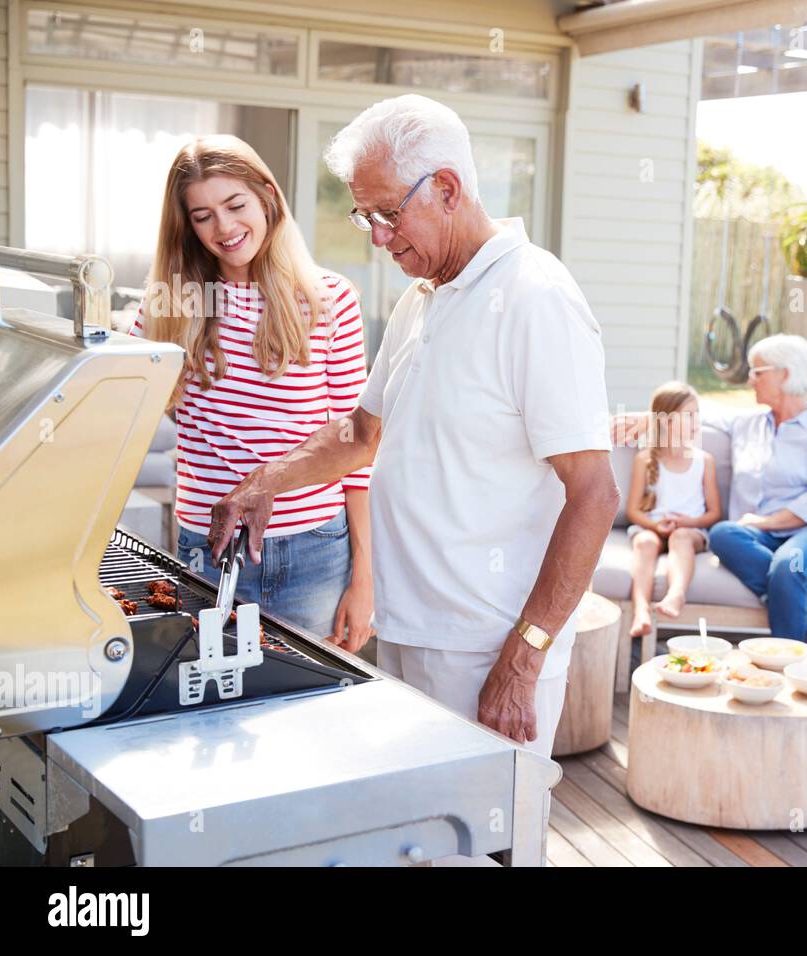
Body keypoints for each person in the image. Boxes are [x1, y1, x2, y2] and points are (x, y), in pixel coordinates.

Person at [207, 95, 619, 766]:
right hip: (409, 631)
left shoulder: (535, 298)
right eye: (367, 215)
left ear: (449, 189)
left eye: (389, 213)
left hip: (487, 647)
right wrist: (264, 484)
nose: (377, 236)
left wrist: (524, 656)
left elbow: (595, 495)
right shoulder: (423, 294)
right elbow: (361, 433)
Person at [132, 134, 374, 648]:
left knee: (304, 710)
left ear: (267, 195)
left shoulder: (330, 299)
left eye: (235, 204)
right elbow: (117, 406)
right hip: (206, 547)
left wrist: (365, 578)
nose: (223, 227)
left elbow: (356, 451)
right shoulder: (169, 304)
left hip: (313, 548)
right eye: (202, 215)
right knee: (209, 702)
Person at [614, 334, 807, 656]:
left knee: (789, 566)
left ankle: (785, 665)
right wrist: (650, 418)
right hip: (758, 531)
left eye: (758, 372)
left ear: (785, 375)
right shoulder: (747, 423)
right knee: (722, 534)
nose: (749, 379)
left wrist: (768, 522)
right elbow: (695, 409)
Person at [624, 381, 722, 637]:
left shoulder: (704, 461)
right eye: (688, 416)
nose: (695, 421)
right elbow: (633, 510)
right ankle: (641, 610)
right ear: (666, 422)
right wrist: (655, 526)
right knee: (644, 542)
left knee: (680, 538)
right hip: (654, 528)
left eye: (696, 415)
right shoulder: (645, 459)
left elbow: (714, 513)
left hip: (688, 532)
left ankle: (675, 595)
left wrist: (687, 523)